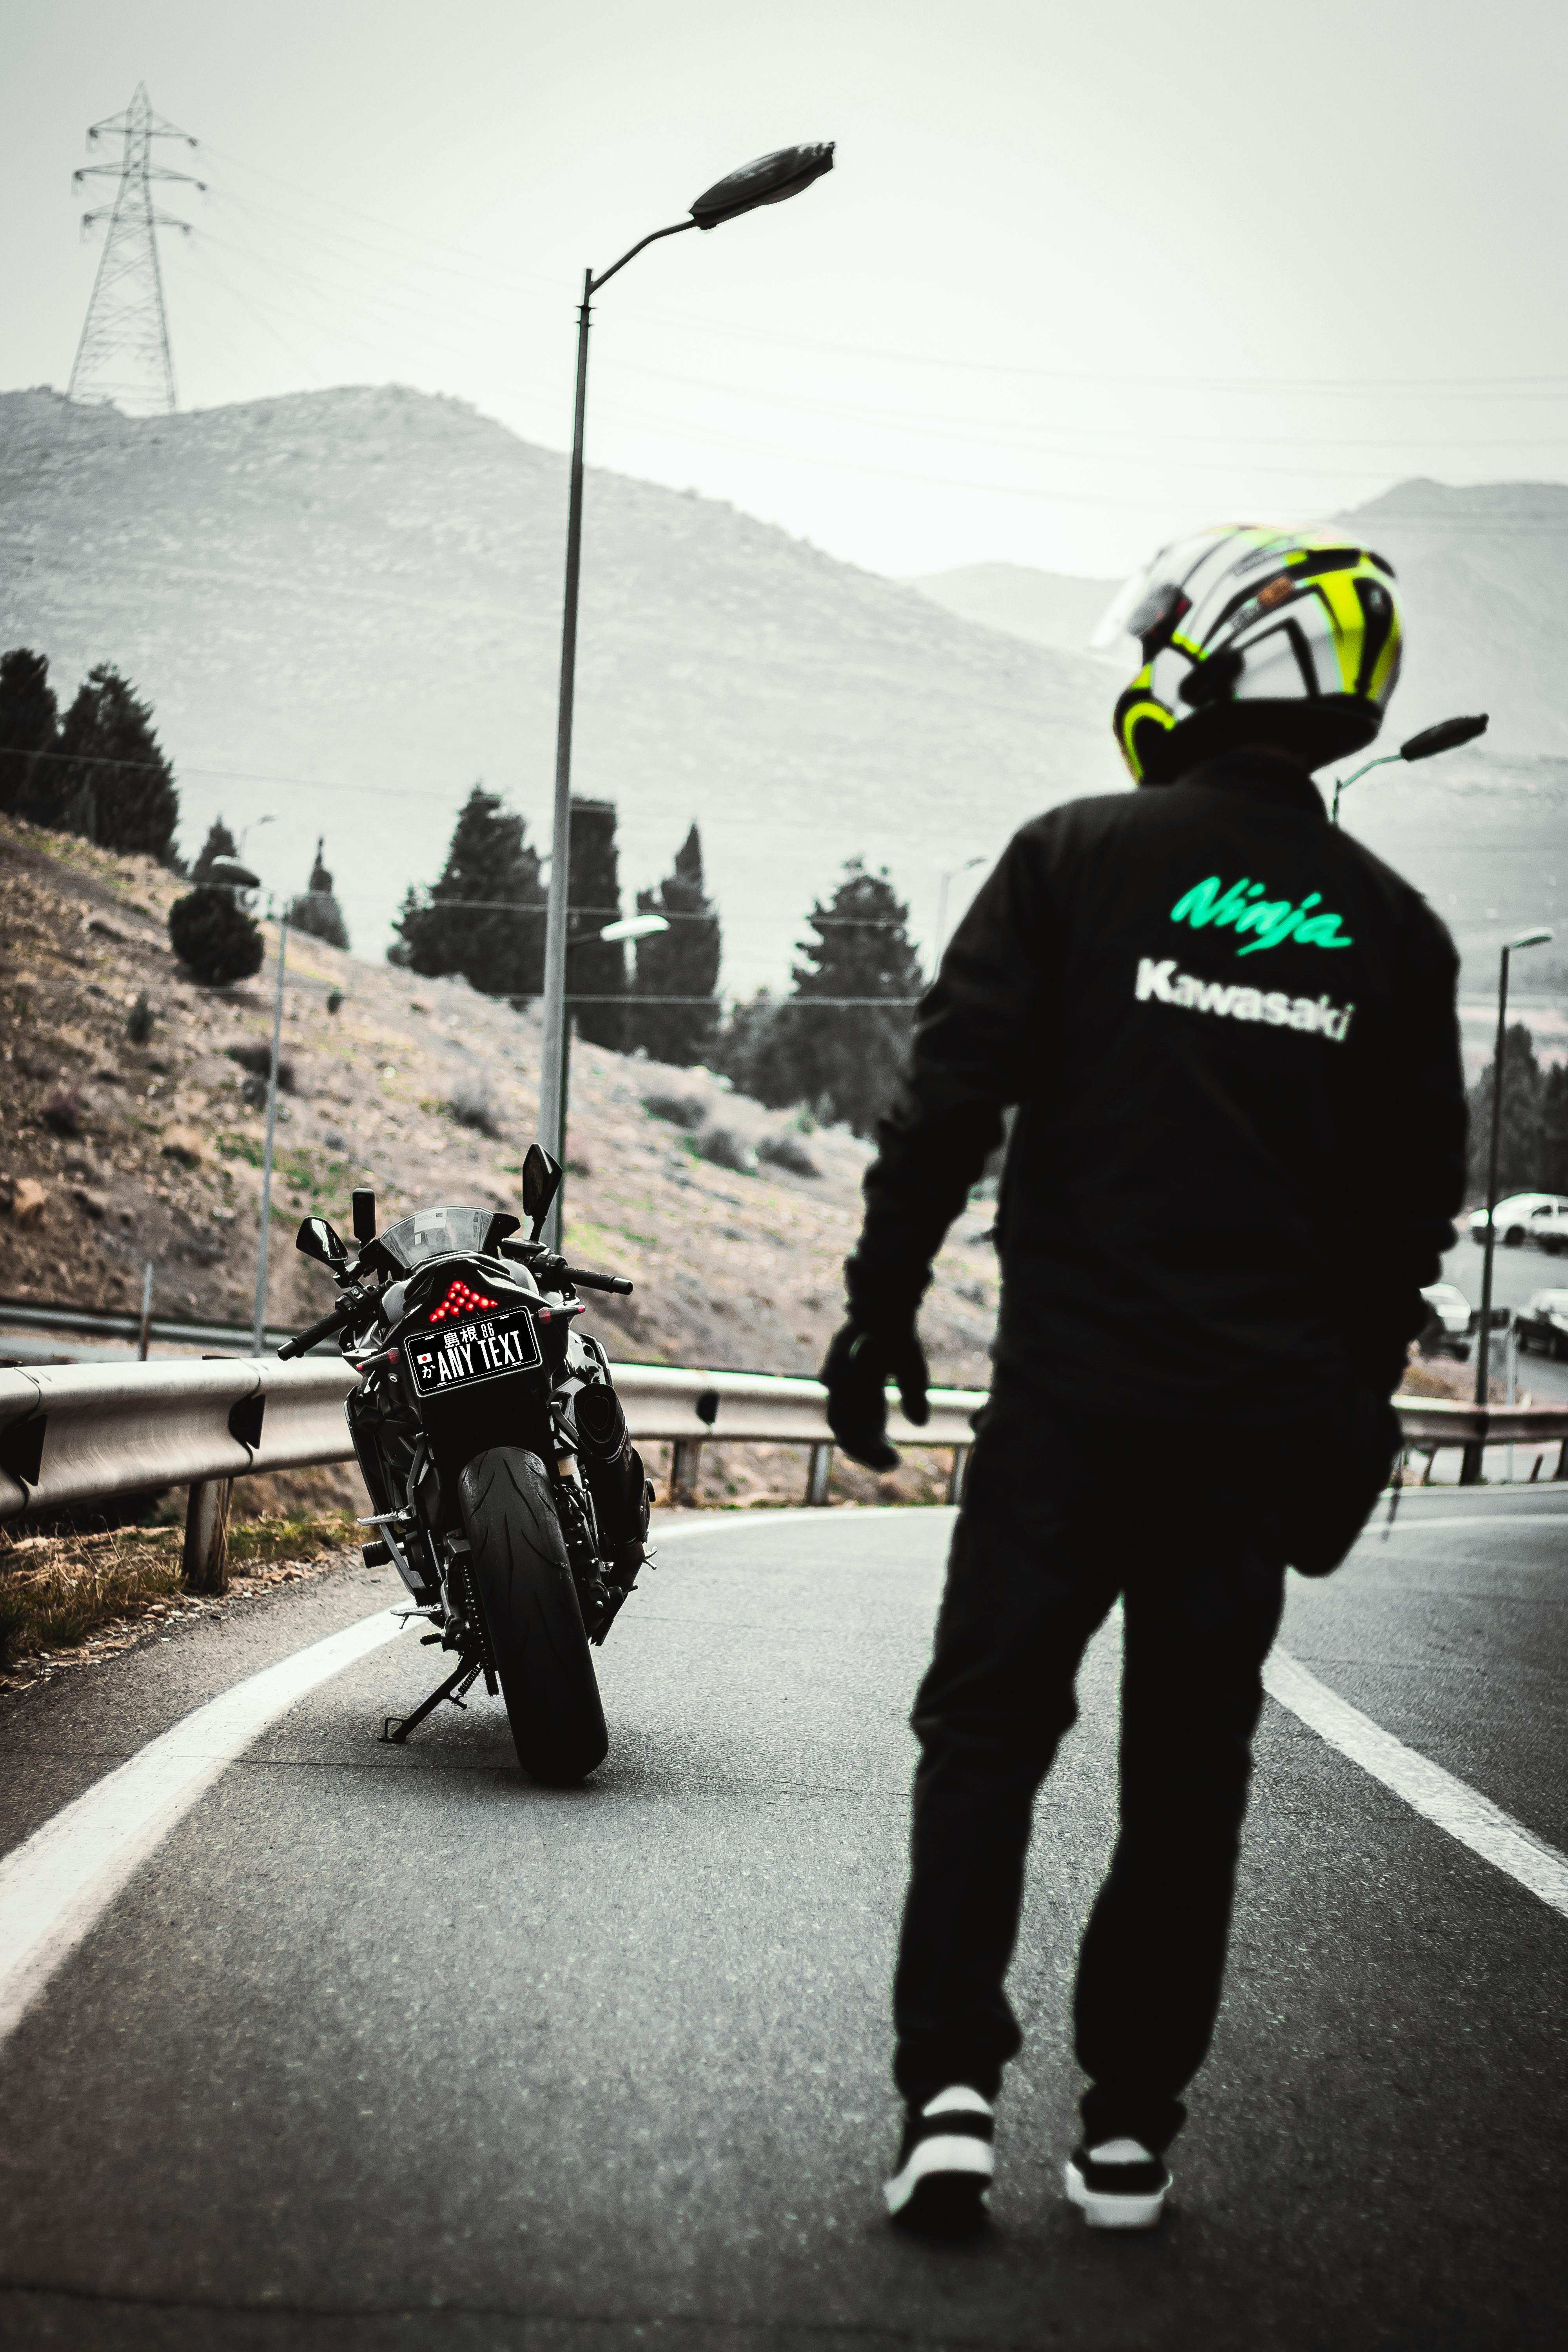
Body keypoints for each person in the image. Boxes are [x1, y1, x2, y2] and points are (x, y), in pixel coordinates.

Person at [820, 524, 1469, 2236]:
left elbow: (943, 1109)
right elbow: (1407, 1220)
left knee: (983, 1733)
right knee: (1191, 1769)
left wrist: (878, 1315)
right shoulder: (1396, 938)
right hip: (1249, 1436)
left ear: (1215, 667)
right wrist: (1344, 1398)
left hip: (1066, 1407)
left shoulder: (1074, 859)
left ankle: (948, 2089)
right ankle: (1124, 2136)